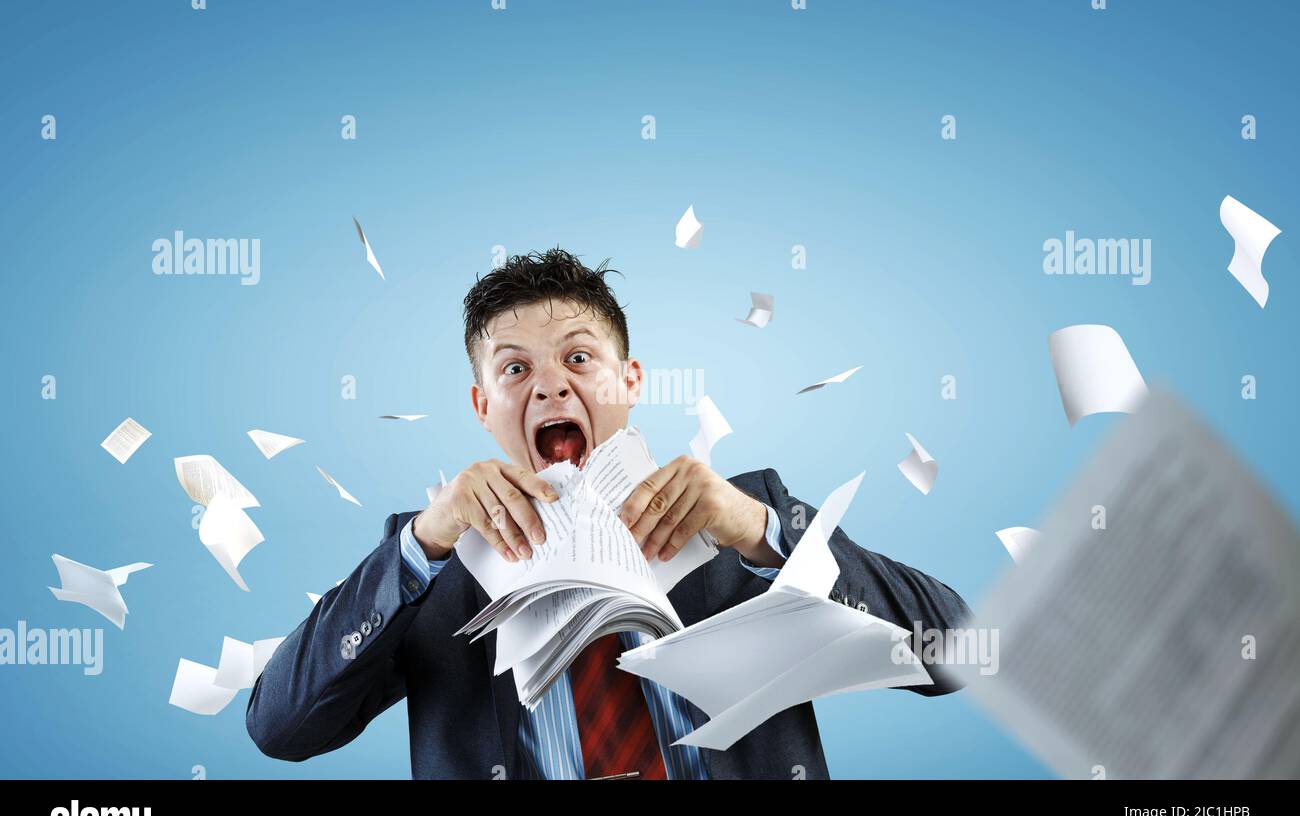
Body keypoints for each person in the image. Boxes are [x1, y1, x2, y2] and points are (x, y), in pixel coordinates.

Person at [246, 248, 972, 779]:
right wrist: (418, 546)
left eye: (579, 359)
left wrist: (759, 532)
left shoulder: (742, 524)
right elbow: (280, 729)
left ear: (630, 381)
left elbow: (957, 651)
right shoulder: (431, 567)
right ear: (481, 407)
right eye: (514, 369)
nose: (551, 386)